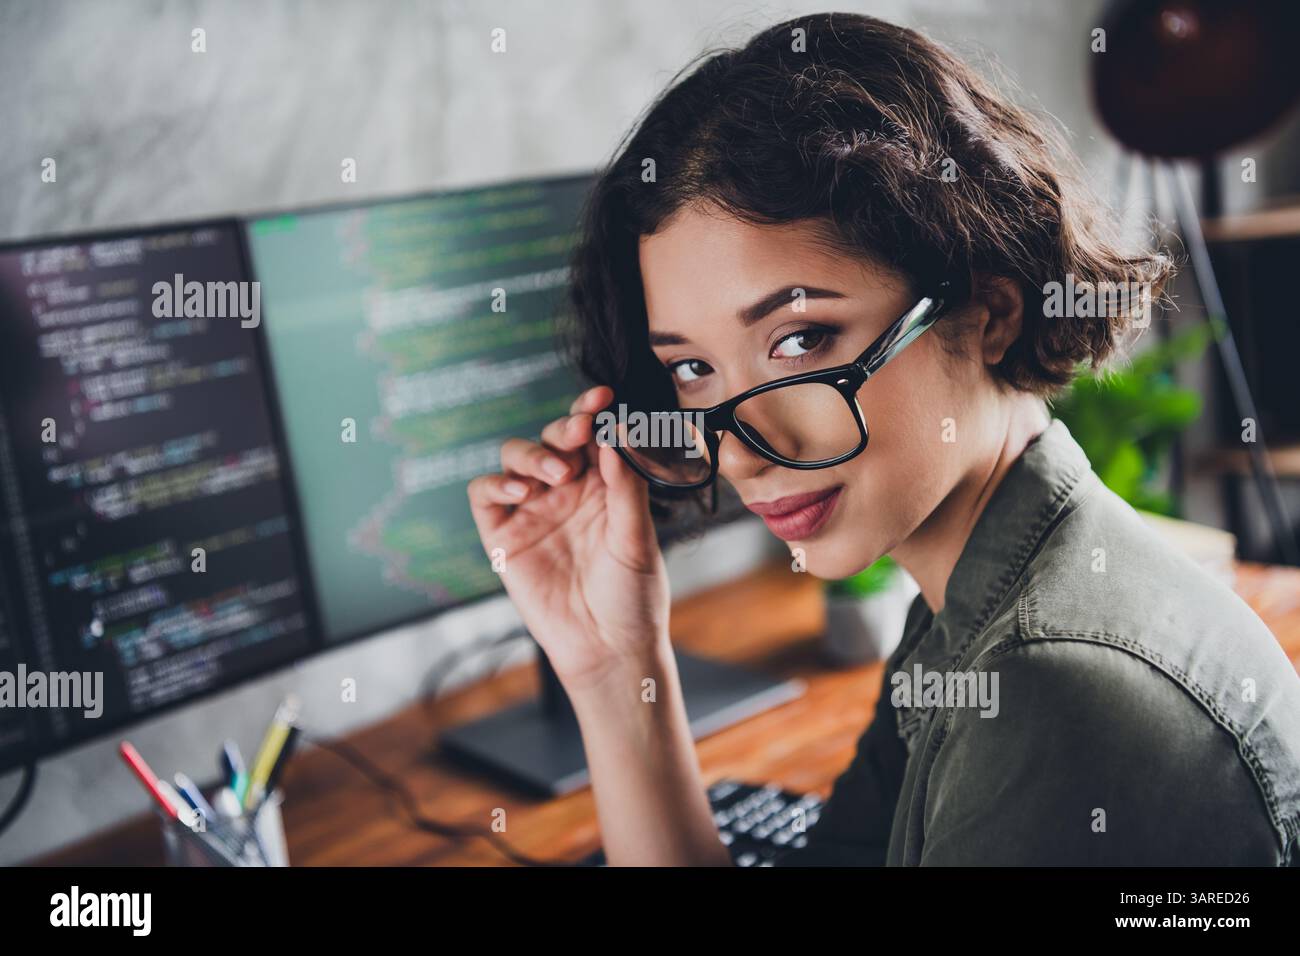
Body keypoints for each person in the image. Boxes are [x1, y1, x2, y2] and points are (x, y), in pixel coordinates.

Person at [467, 12, 1300, 865]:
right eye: (693, 370)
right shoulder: (958, 605)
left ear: (990, 311)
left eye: (799, 340)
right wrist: (614, 668)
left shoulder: (1051, 689)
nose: (742, 450)